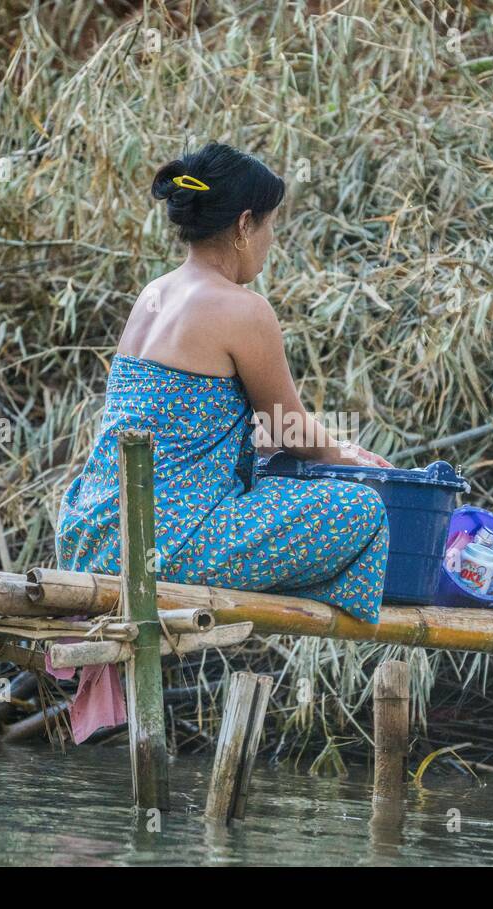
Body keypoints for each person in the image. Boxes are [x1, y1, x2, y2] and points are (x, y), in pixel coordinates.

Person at [57, 142, 390, 624]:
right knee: (361, 509)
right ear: (244, 224)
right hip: (160, 546)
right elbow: (290, 430)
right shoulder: (243, 309)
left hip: (91, 537)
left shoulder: (154, 294)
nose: (272, 239)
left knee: (276, 481)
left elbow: (191, 421)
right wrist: (350, 458)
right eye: (271, 225)